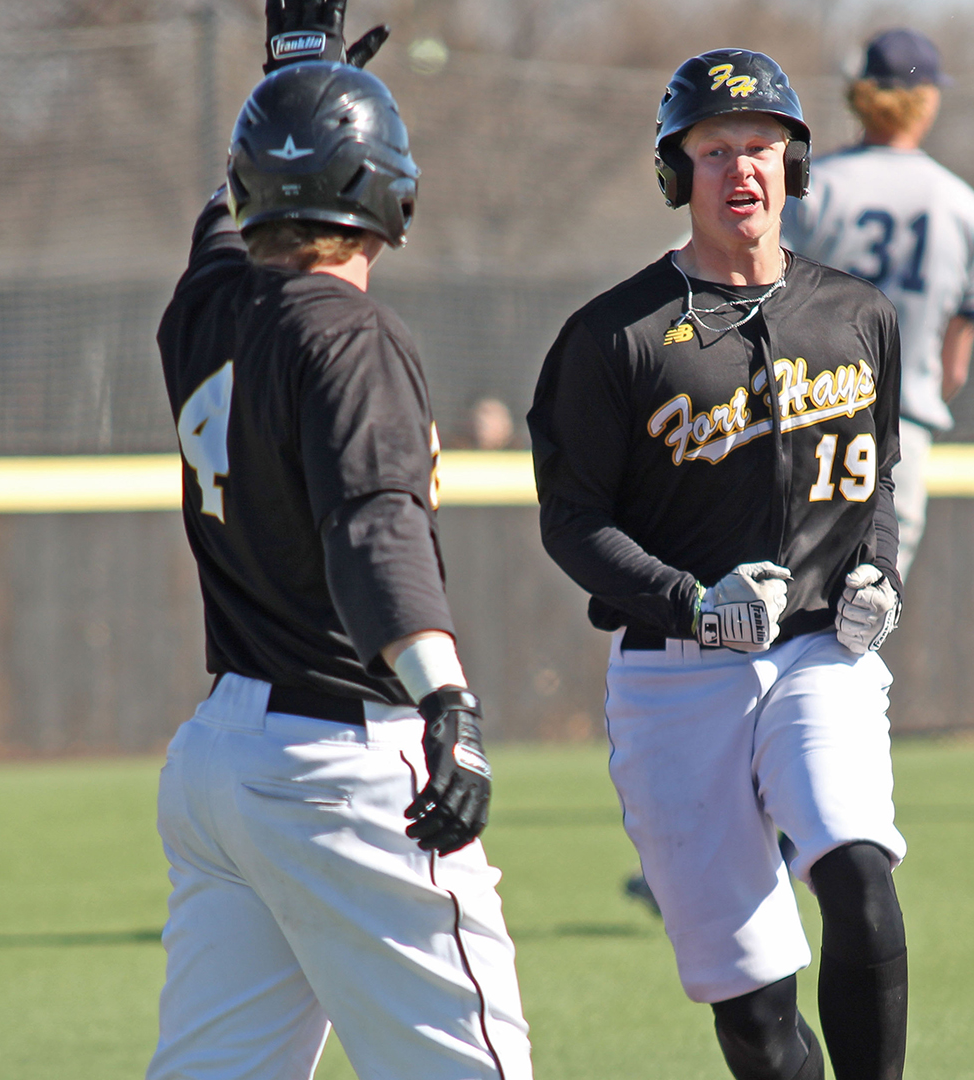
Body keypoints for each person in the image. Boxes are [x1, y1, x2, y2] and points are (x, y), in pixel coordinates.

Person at [148, 5, 531, 1077]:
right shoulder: (347, 331)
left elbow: (218, 219)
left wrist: (293, 73)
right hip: (342, 767)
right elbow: (374, 531)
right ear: (386, 191)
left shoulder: (204, 313)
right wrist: (447, 698)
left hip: (224, 765)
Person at [528, 48, 909, 1080]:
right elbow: (571, 522)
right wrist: (693, 605)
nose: (743, 169)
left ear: (795, 168)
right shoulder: (613, 337)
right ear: (674, 174)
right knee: (754, 1013)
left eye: (764, 148)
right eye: (715, 150)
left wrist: (878, 571)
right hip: (672, 678)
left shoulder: (860, 316)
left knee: (858, 864)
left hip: (821, 658)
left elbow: (875, 480)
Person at [783, 27, 974, 577]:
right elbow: (955, 366)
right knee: (870, 607)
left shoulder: (813, 188)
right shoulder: (964, 206)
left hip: (805, 419)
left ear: (862, 95)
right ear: (924, 102)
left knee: (786, 603)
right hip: (903, 428)